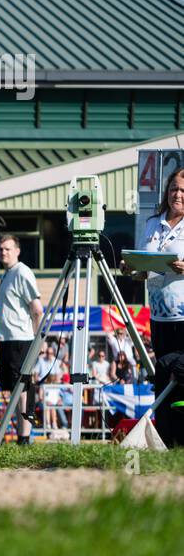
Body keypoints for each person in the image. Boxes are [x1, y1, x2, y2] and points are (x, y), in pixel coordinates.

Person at [122, 167, 184, 447]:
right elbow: (143, 270)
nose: (177, 194)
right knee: (162, 376)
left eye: (183, 190)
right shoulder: (151, 224)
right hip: (160, 317)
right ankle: (167, 442)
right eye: (174, 189)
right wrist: (131, 268)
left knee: (180, 375)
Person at [0, 234, 44, 444]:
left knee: (23, 390)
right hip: (7, 340)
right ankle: (20, 436)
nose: (3, 252)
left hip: (21, 340)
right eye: (0, 249)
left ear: (17, 250)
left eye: (7, 249)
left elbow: (37, 310)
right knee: (15, 391)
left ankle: (24, 438)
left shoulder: (22, 272)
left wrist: (37, 341)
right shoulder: (7, 274)